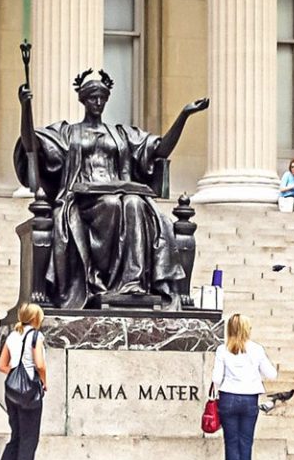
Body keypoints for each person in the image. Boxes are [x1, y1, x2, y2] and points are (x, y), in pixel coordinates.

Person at [13, 69, 208, 309]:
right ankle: (103, 282)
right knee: (112, 203)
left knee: (135, 204)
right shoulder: (68, 133)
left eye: (102, 98)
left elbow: (160, 150)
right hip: (82, 200)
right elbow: (32, 144)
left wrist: (184, 115)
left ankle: (131, 284)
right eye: (93, 97)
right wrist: (25, 108)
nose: (98, 102)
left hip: (121, 195)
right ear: (83, 100)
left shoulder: (121, 134)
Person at [212, 313, 277, 460]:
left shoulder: (222, 350)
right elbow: (272, 374)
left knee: (231, 445)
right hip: (249, 400)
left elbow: (216, 378)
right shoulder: (256, 349)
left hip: (228, 398)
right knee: (246, 445)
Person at [0, 303, 48, 460]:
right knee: (29, 439)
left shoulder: (12, 336)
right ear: (35, 318)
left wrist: (16, 375)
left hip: (11, 392)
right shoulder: (36, 336)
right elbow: (40, 364)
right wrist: (44, 381)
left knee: (16, 437)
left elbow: (2, 365)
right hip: (29, 393)